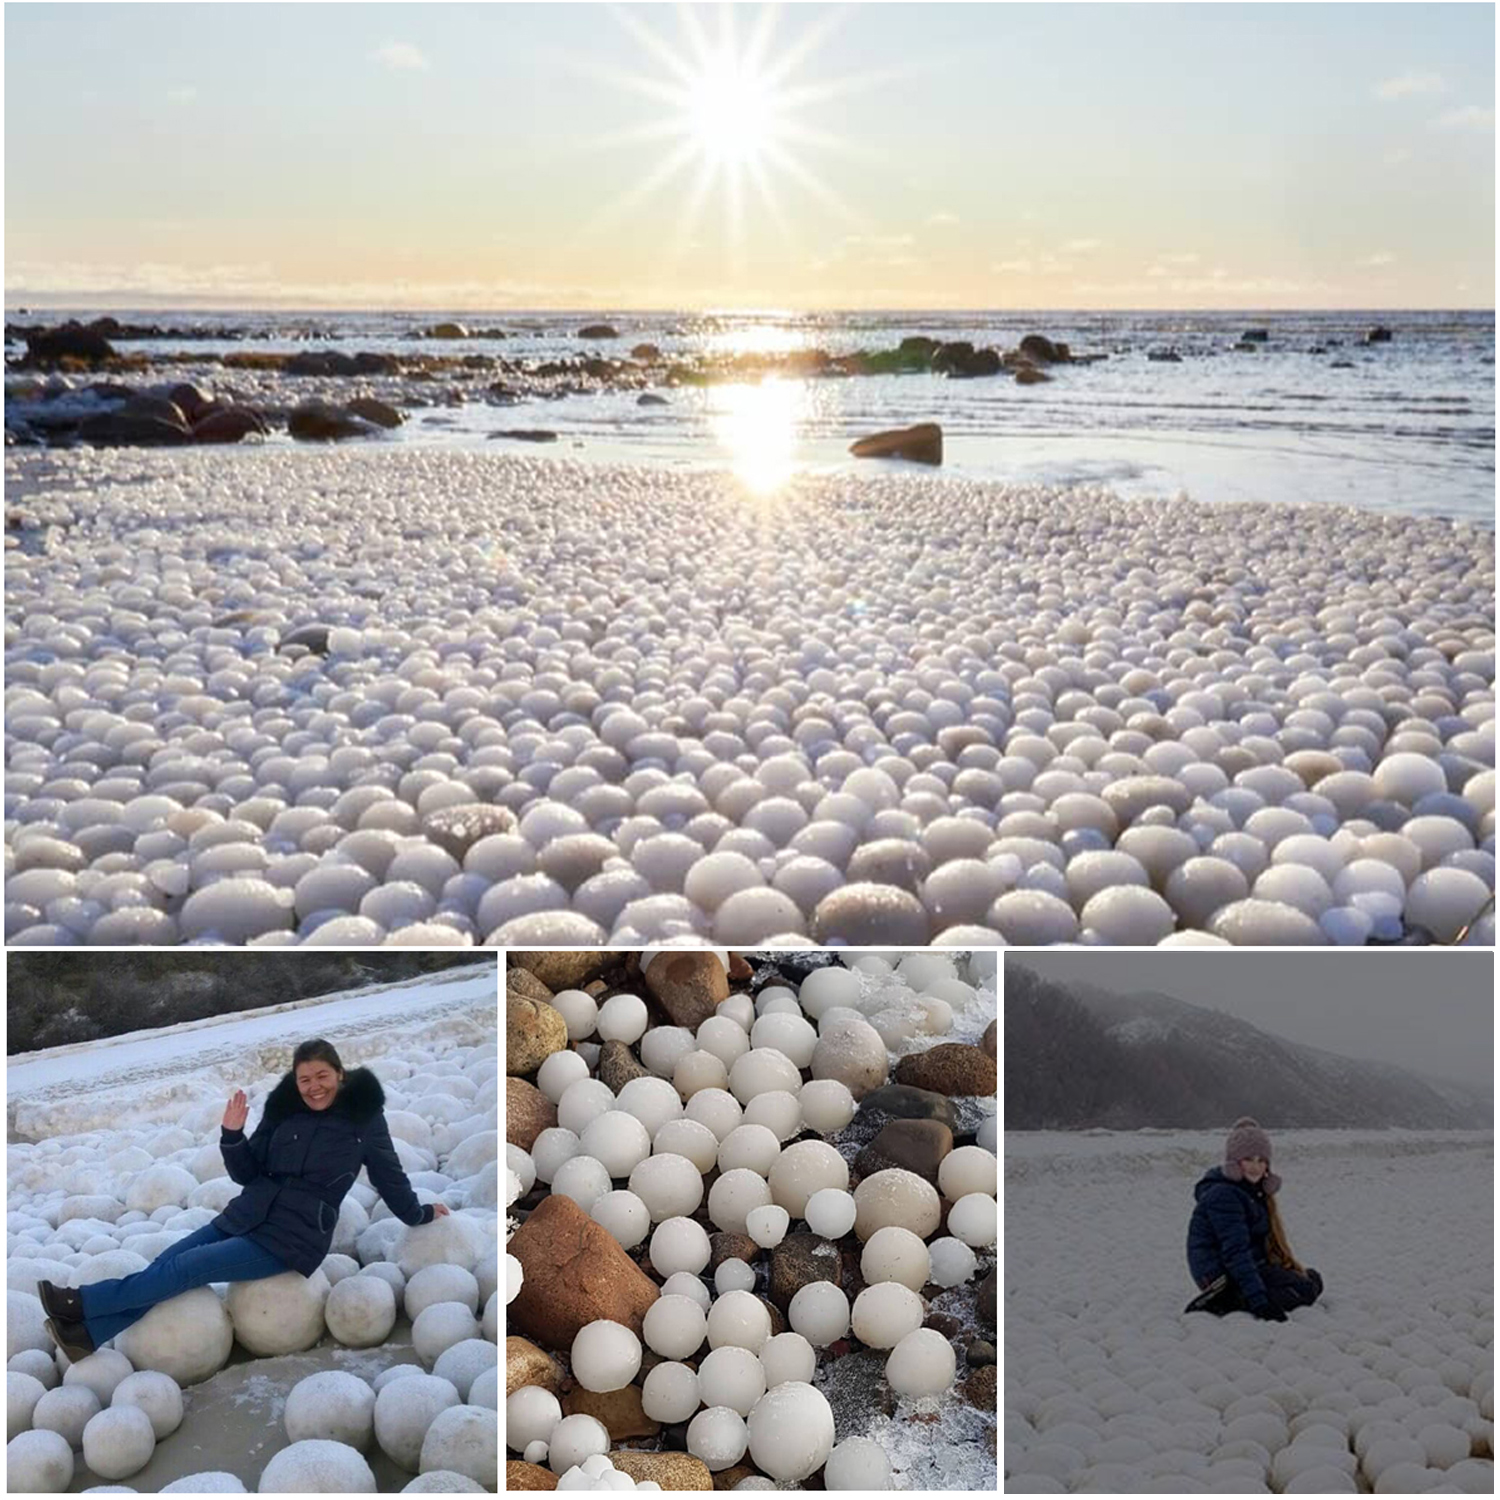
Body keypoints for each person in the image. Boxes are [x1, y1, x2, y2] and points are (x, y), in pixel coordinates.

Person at [39, 1038, 450, 1357]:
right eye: (305, 1079)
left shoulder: (365, 1120)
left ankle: (81, 1302)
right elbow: (247, 1172)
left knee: (185, 1267)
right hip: (246, 1214)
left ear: (340, 1074)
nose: (313, 1087)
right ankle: (87, 1336)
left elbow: (389, 1176)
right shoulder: (285, 1109)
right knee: (167, 1262)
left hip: (291, 1237)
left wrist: (419, 1214)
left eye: (322, 1076)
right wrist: (232, 1135)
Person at [1184, 1116, 1322, 1321]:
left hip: (1246, 1266)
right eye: (1248, 1159)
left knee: (1311, 1280)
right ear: (1234, 1162)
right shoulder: (1224, 1195)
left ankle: (1245, 1294)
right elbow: (1235, 1252)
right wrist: (1259, 1302)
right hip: (1219, 1276)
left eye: (1261, 1160)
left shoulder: (1252, 1192)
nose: (1255, 1166)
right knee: (1304, 1290)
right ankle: (1230, 1301)